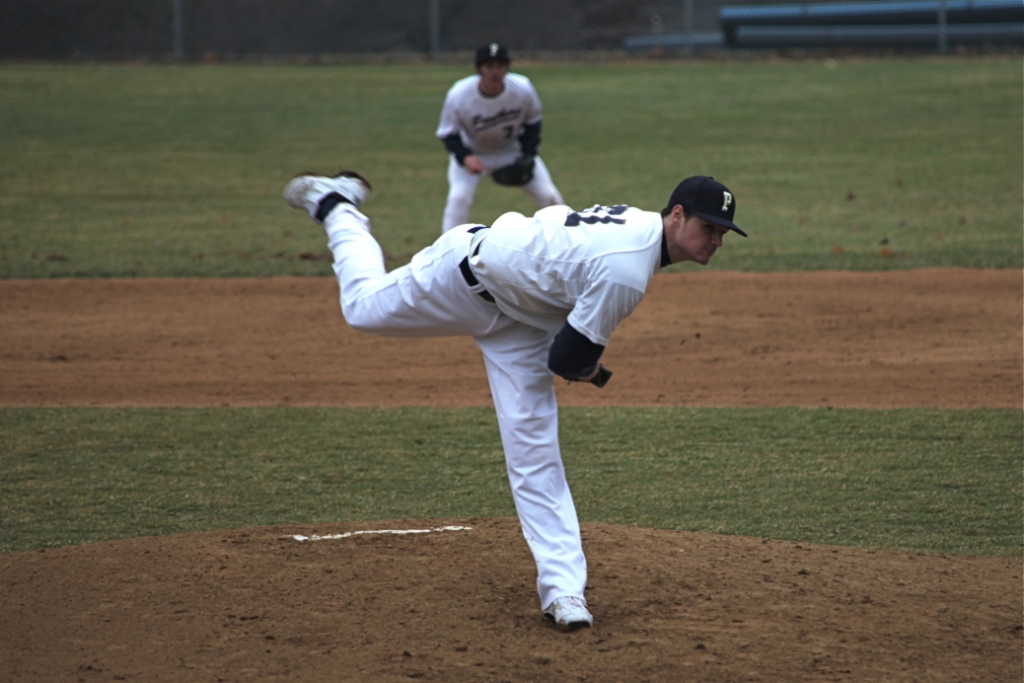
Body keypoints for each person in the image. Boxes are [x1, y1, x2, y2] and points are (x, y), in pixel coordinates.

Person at [282, 169, 745, 631]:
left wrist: (583, 364)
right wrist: (589, 370)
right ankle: (338, 206)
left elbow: (567, 344)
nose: (716, 241)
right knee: (363, 308)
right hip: (463, 279)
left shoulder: (641, 232)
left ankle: (564, 591)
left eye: (722, 233)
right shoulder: (628, 268)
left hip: (526, 322)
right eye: (708, 228)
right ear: (677, 215)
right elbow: (568, 360)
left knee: (535, 451)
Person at [436, 42, 564, 233]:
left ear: (507, 68)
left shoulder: (522, 88)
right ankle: (448, 252)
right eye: (489, 66)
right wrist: (464, 157)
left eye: (500, 66)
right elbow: (448, 132)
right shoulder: (460, 94)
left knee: (550, 196)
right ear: (479, 69)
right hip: (474, 154)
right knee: (459, 197)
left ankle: (567, 242)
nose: (495, 72)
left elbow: (532, 124)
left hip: (512, 151)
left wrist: (528, 155)